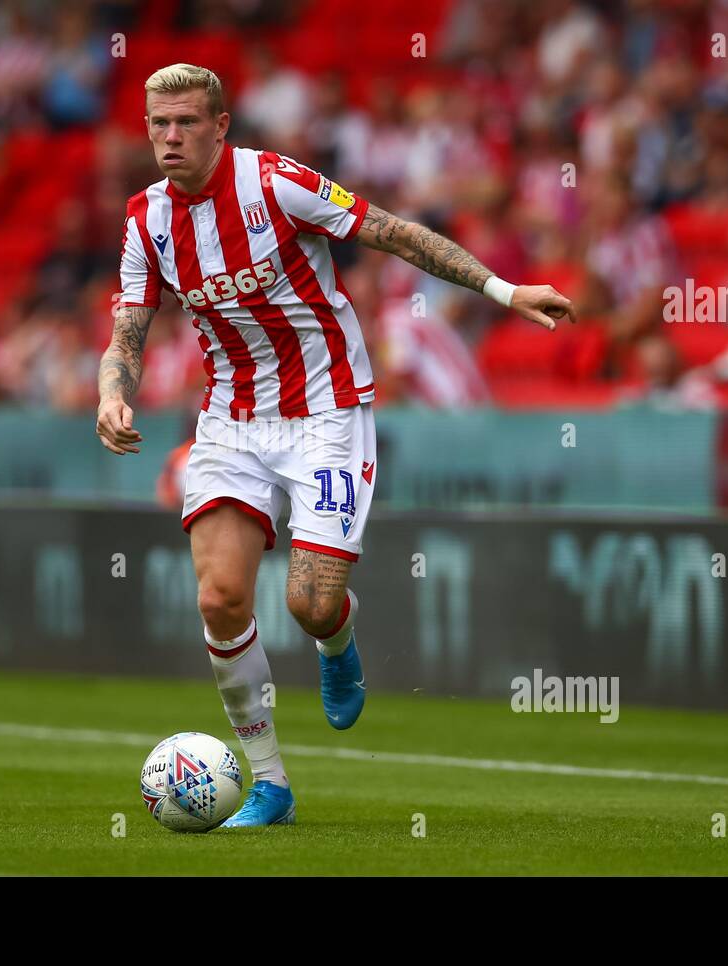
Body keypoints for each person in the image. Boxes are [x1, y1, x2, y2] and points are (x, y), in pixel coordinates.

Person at [95, 64, 575, 827]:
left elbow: (393, 232)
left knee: (310, 604)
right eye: (159, 124)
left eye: (187, 122)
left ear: (222, 126)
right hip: (231, 420)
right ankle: (272, 785)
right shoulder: (146, 218)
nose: (171, 137)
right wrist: (112, 392)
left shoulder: (276, 183)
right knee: (220, 598)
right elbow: (129, 325)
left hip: (327, 411)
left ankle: (336, 633)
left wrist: (504, 292)